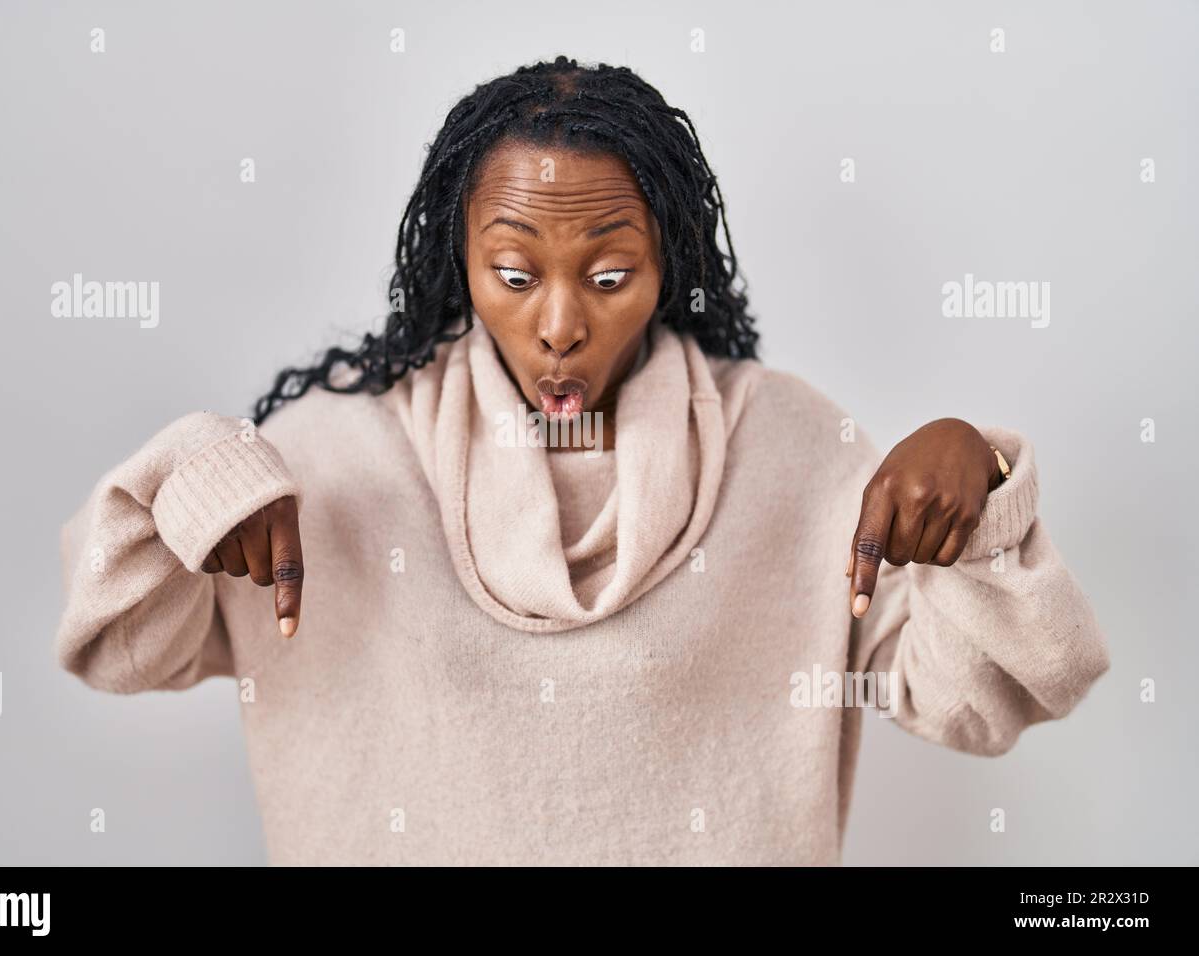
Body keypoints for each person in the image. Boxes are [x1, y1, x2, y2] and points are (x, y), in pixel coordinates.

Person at [55, 56, 1110, 865]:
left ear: (670, 264)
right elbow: (120, 645)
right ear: (456, 262)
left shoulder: (793, 450)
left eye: (609, 275)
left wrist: (979, 490)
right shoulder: (331, 463)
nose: (557, 323)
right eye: (512, 272)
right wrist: (196, 481)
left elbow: (978, 700)